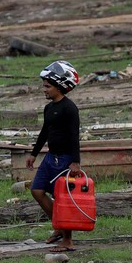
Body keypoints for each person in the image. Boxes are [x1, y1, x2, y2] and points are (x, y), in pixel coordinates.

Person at [26, 60, 82, 252]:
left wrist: (75, 162)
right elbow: (45, 132)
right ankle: (58, 226)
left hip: (66, 159)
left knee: (62, 198)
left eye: (47, 86)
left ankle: (68, 240)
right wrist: (34, 154)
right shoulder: (49, 108)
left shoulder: (69, 108)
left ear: (60, 87)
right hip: (51, 157)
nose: (44, 89)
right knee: (37, 191)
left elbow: (75, 135)